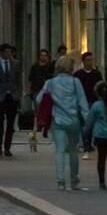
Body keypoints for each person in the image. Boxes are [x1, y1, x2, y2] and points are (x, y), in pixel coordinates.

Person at [37, 54, 90, 190]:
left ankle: (60, 181)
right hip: (73, 120)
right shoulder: (75, 82)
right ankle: (74, 180)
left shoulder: (50, 82)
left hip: (58, 120)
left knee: (59, 151)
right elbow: (83, 103)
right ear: (70, 67)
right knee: (73, 150)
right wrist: (88, 122)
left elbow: (39, 99)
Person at [0, 43, 20, 158]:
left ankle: (7, 147)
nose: (9, 54)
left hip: (12, 97)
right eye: (7, 52)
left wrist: (18, 95)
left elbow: (18, 80)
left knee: (11, 124)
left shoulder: (15, 64)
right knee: (0, 123)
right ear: (1, 53)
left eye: (10, 52)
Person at [84, 82, 107, 188]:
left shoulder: (96, 106)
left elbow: (89, 123)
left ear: (97, 93)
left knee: (101, 158)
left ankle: (102, 182)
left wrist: (86, 134)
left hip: (100, 135)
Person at [75, 52, 103, 157]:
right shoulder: (78, 74)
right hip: (81, 102)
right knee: (83, 124)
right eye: (87, 60)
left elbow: (100, 86)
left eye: (91, 60)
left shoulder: (97, 74)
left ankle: (88, 143)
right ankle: (85, 144)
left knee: (90, 124)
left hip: (93, 102)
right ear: (83, 61)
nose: (89, 62)